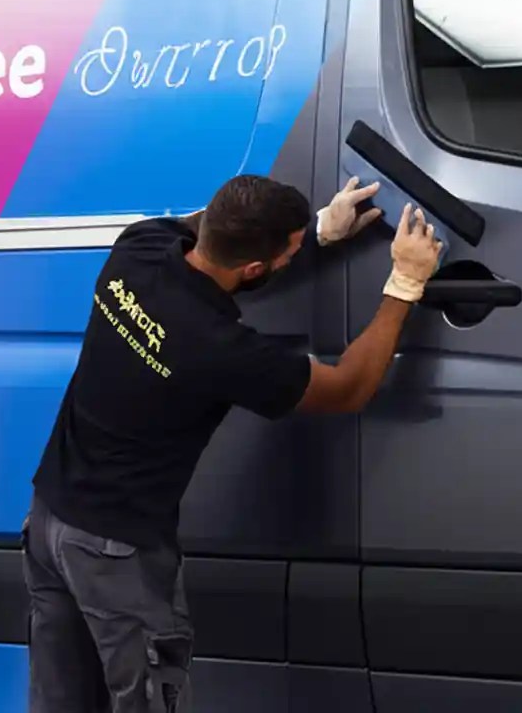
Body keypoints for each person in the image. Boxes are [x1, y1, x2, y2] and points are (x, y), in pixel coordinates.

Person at [22, 174, 443, 712]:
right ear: (254, 271)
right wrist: (405, 282)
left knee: (62, 702)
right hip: (115, 552)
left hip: (48, 519)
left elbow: (207, 226)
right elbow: (349, 388)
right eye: (288, 254)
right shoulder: (221, 350)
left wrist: (317, 231)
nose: (295, 258)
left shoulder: (139, 247)